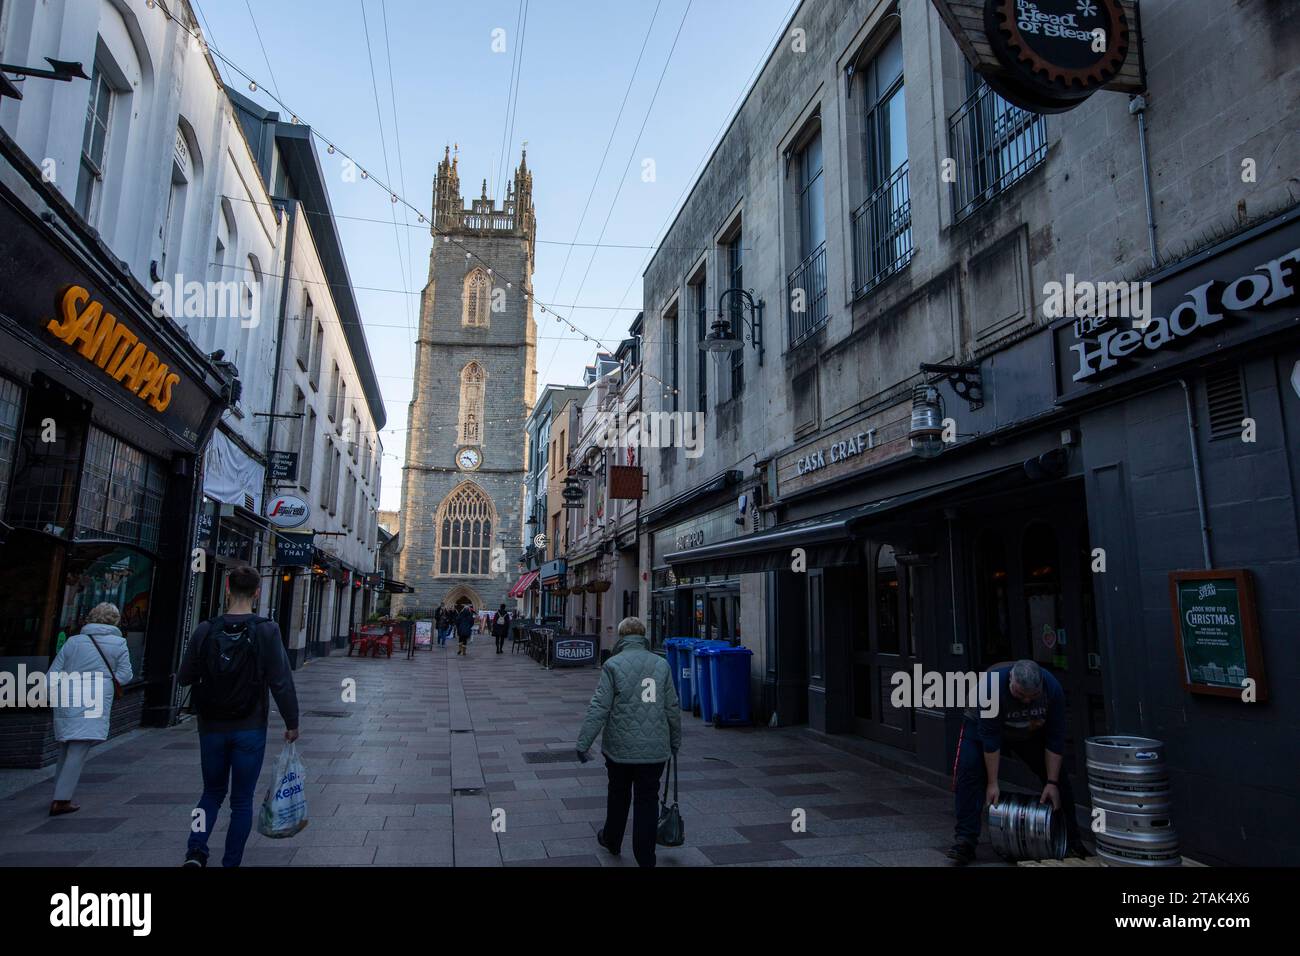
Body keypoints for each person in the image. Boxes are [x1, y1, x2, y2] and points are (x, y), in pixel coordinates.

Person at [178, 566, 299, 867]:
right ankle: (231, 862)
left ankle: (195, 851)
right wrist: (292, 722)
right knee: (242, 801)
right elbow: (281, 682)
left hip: (211, 725)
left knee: (210, 793)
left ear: (227, 588)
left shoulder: (206, 629)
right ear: (257, 592)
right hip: (250, 726)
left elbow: (184, 676)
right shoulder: (267, 630)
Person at [947, 659, 1087, 865]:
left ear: (1041, 685)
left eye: (1033, 696)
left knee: (1060, 781)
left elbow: (1055, 739)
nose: (1027, 701)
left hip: (1027, 730)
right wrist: (992, 783)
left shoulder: (1052, 689)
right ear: (1011, 679)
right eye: (1020, 695)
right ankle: (965, 842)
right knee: (968, 775)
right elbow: (991, 740)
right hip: (980, 727)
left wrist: (1052, 782)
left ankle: (1073, 841)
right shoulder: (991, 687)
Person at [576, 617, 681, 867]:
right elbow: (672, 707)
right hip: (654, 747)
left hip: (619, 747)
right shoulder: (661, 664)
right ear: (643, 636)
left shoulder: (613, 665)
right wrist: (675, 740)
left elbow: (599, 707)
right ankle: (645, 857)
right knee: (647, 799)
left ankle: (612, 839)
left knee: (618, 794)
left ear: (622, 637)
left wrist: (584, 743)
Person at [46, 603, 133, 816]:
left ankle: (59, 792)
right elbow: (125, 675)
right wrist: (105, 683)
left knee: (66, 745)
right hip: (95, 697)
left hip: (68, 693)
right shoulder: (119, 643)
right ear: (115, 620)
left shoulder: (74, 642)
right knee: (79, 747)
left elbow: (53, 673)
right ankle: (61, 799)